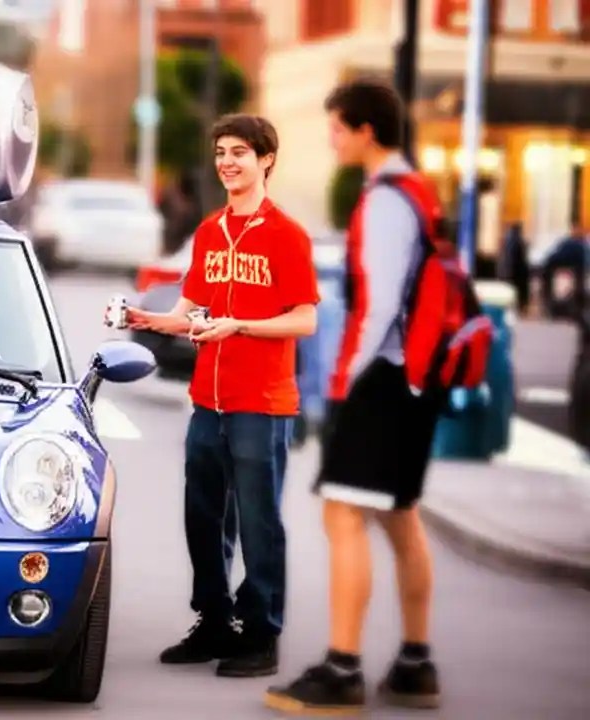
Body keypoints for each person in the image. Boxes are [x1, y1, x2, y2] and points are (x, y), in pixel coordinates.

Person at [266, 79, 444, 715]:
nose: (333, 138)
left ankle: (342, 669)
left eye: (339, 127)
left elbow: (380, 305)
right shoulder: (414, 192)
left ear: (366, 130)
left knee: (343, 514)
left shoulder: (389, 200)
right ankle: (416, 664)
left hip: (384, 380)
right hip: (415, 378)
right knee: (400, 514)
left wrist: (344, 384)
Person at [127, 114, 320, 678]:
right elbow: (188, 314)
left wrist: (240, 326)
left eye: (239, 151)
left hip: (261, 400)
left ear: (267, 160)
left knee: (259, 520)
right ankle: (214, 620)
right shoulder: (211, 231)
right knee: (203, 515)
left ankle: (261, 634)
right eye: (220, 152)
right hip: (207, 398)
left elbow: (305, 319)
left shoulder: (287, 234)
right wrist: (146, 318)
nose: (228, 161)